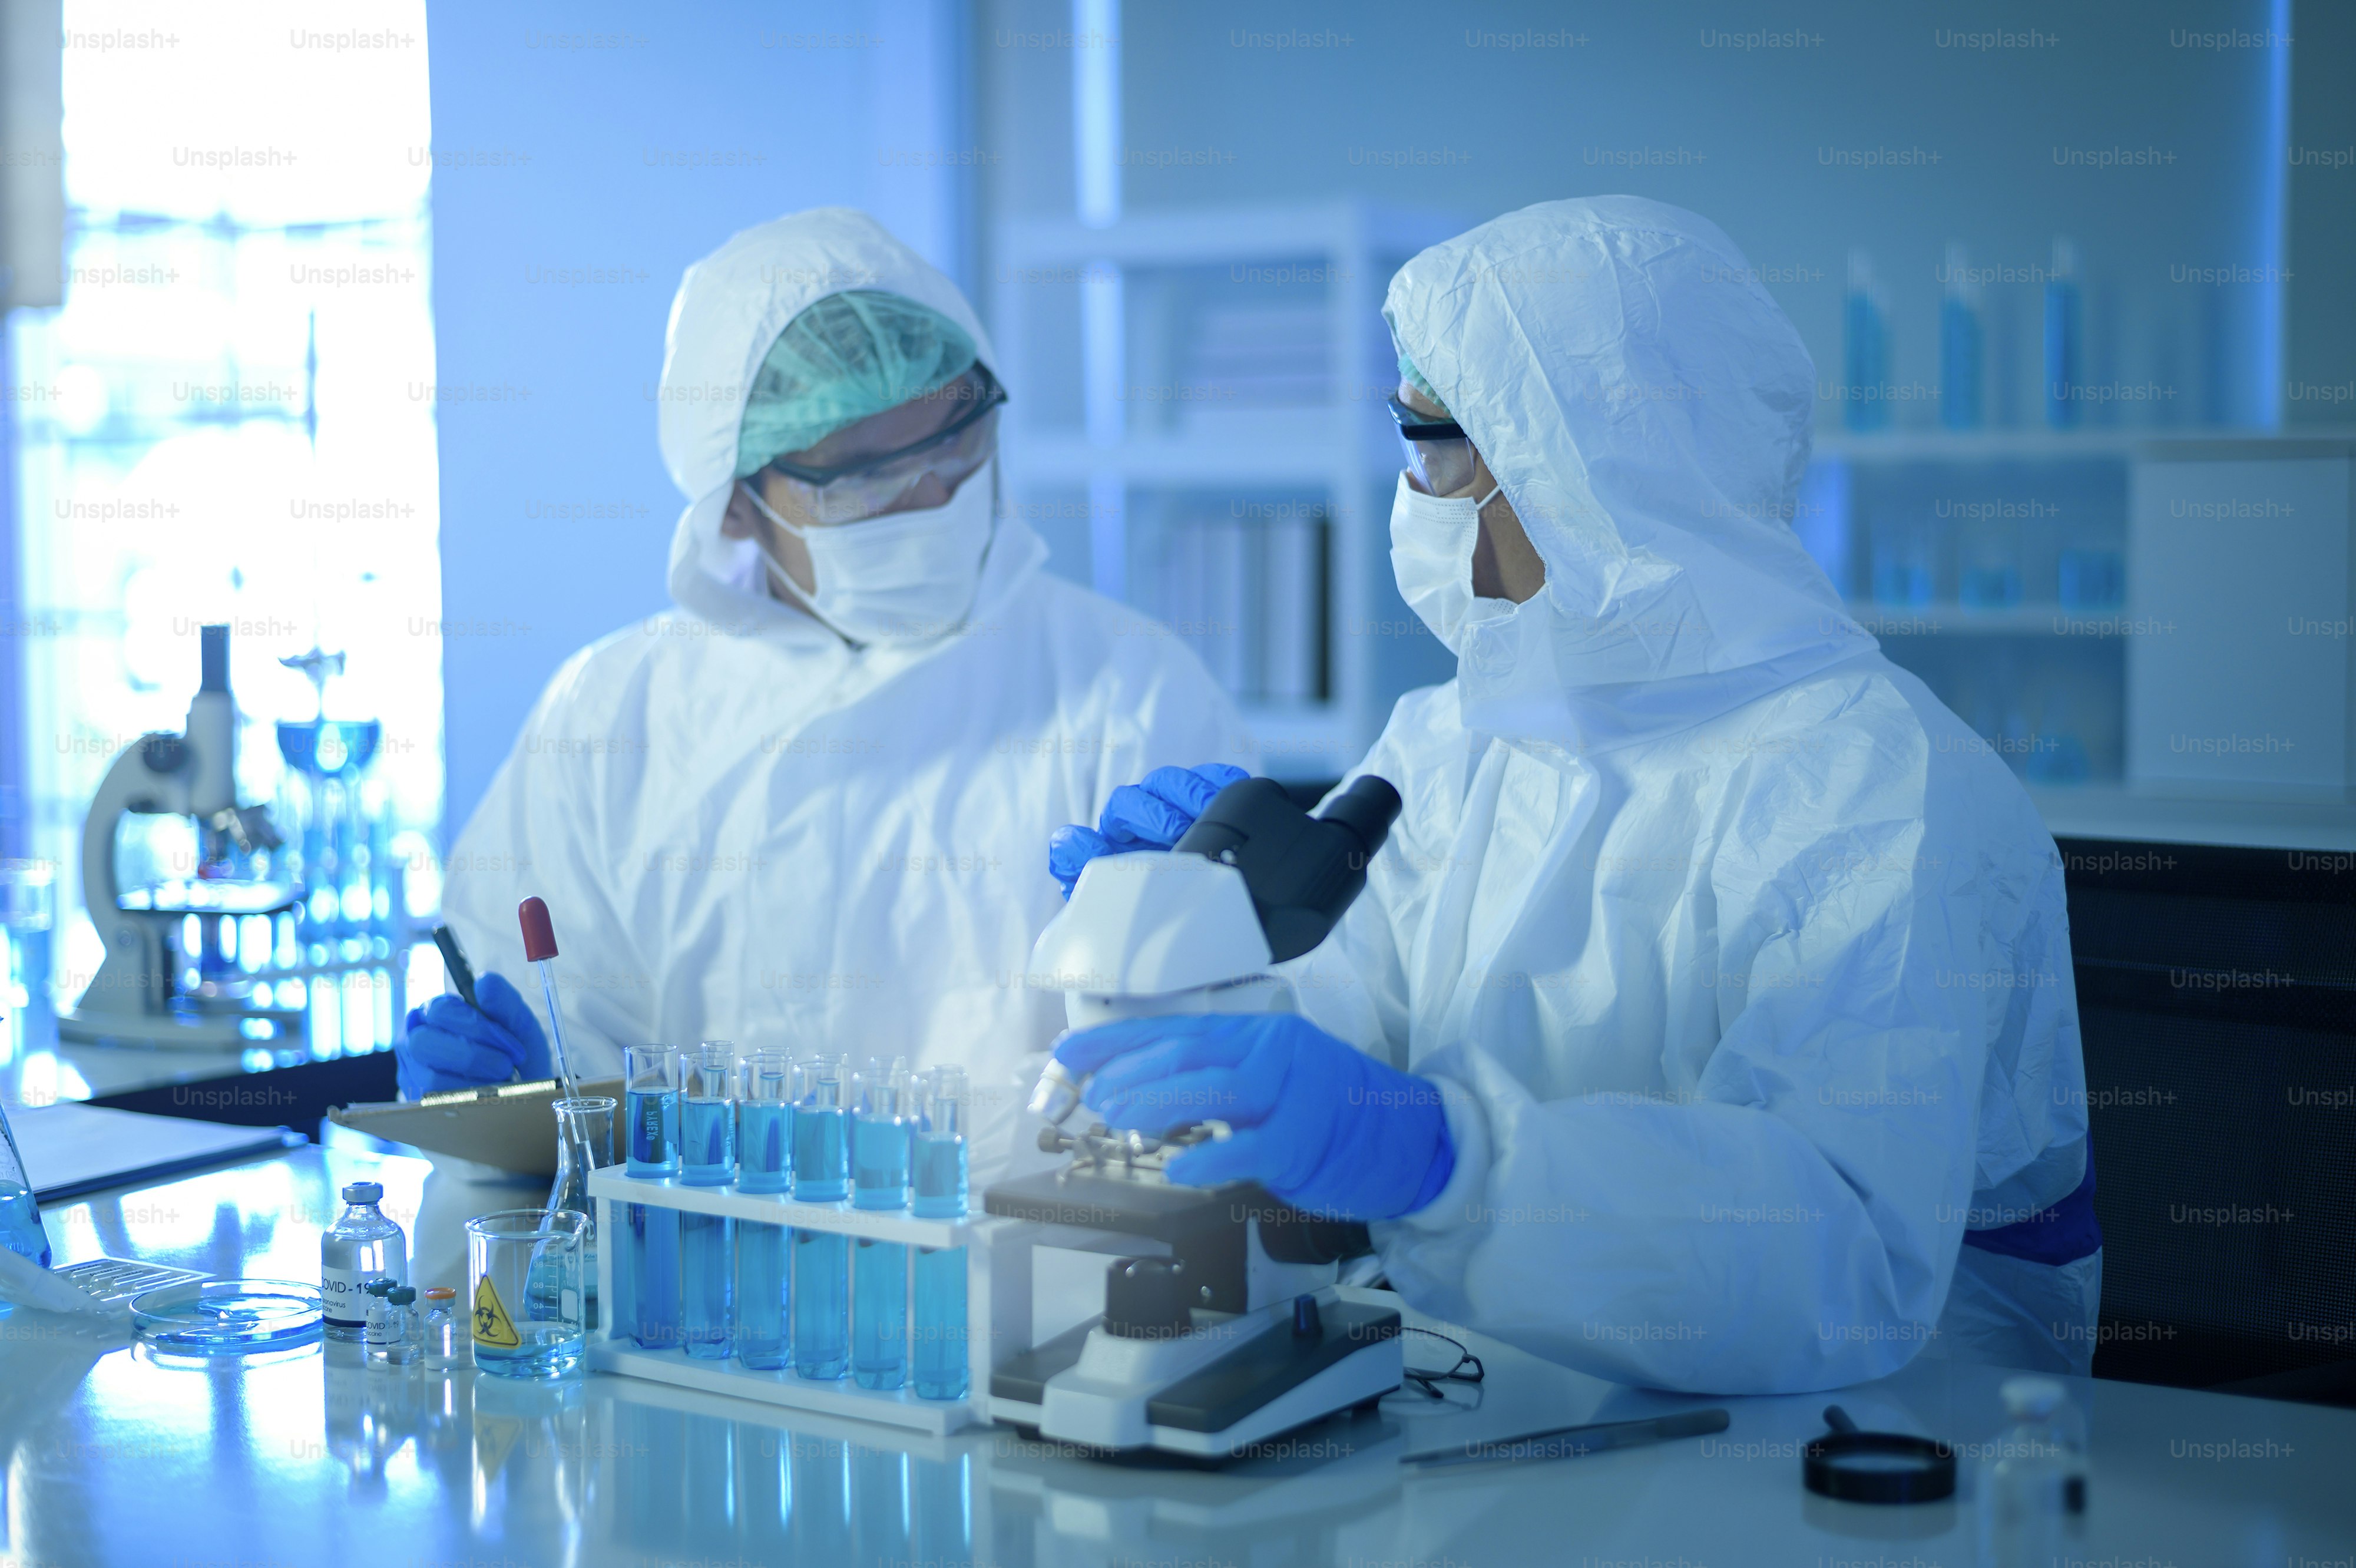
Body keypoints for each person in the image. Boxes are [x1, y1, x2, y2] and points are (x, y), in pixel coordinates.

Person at [1043, 197, 2100, 1394]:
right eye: (1413, 442)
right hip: (1477, 1402)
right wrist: (1197, 952)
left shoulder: (1881, 786)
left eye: (1444, 445)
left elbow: (1837, 1259)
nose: (1422, 495)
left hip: (1852, 1444)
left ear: (1606, 478)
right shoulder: (1450, 736)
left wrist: (1457, 1163)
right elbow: (1330, 1043)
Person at [401, 208, 1246, 1177]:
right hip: (698, 1270)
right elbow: (559, 1074)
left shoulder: (1131, 687)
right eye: (863, 477)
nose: (932, 494)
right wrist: (517, 1105)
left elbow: (1213, 1081)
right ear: (735, 503)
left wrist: (1203, 968)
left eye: (956, 438)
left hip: (1036, 1262)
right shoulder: (610, 718)